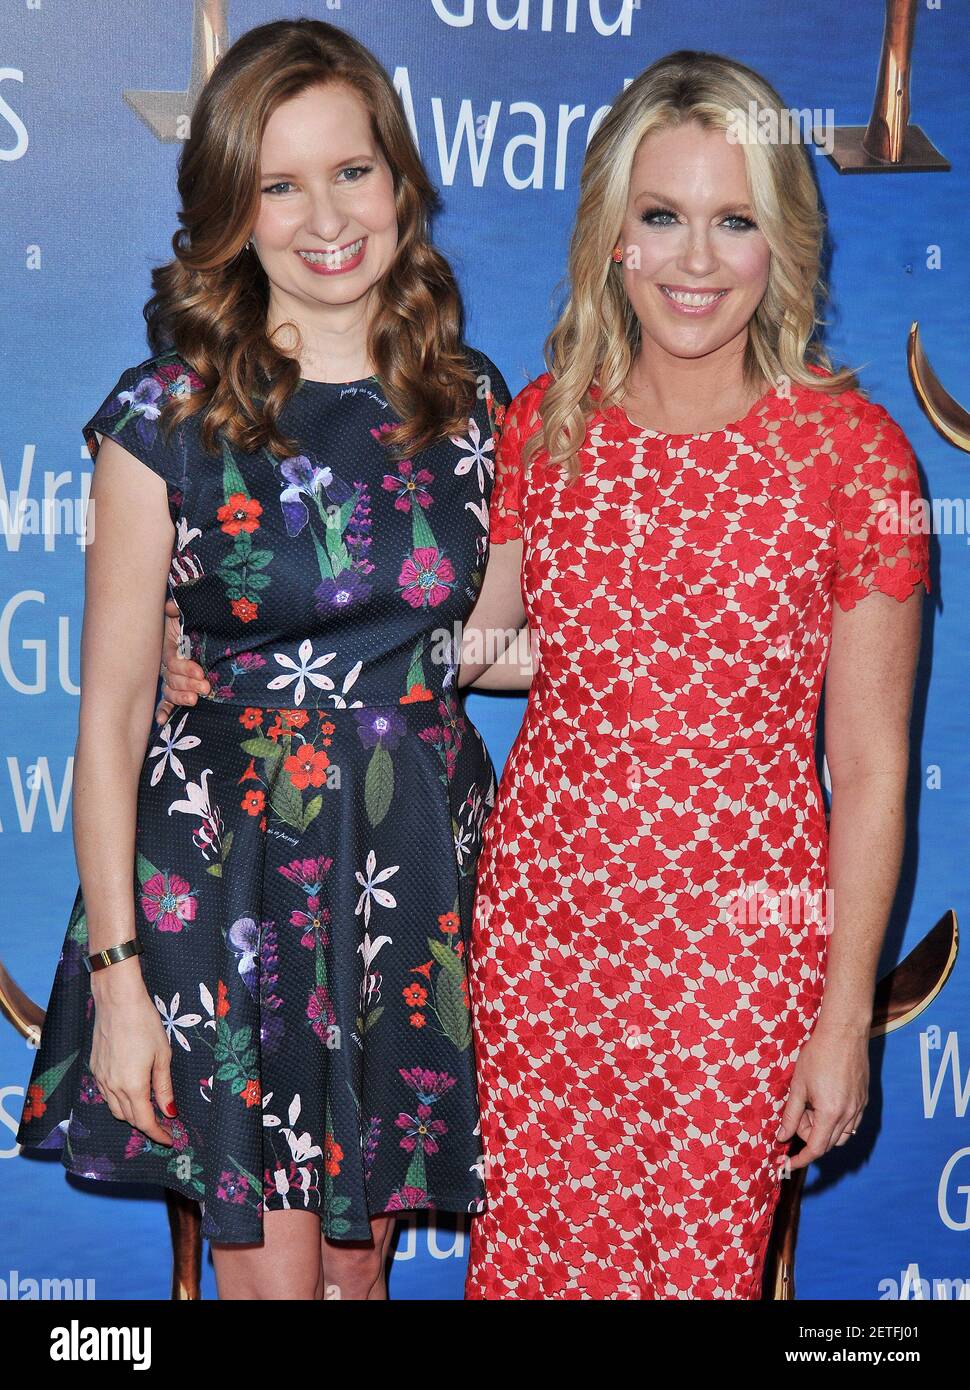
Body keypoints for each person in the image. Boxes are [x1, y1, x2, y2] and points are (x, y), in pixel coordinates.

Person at [156, 47, 933, 1301]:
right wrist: (201, 637)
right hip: (537, 940)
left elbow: (872, 765)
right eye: (661, 216)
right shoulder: (550, 424)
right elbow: (447, 641)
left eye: (734, 220)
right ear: (612, 236)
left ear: (781, 240)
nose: (693, 259)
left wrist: (844, 1017)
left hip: (738, 957)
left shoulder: (854, 457)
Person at [16, 18, 517, 1302]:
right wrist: (120, 983)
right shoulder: (165, 414)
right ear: (232, 210)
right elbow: (112, 715)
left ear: (400, 179)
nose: (326, 219)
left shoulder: (474, 405)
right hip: (226, 883)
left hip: (409, 874)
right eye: (280, 185)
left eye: (351, 171)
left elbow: (495, 646)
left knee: (356, 1278)